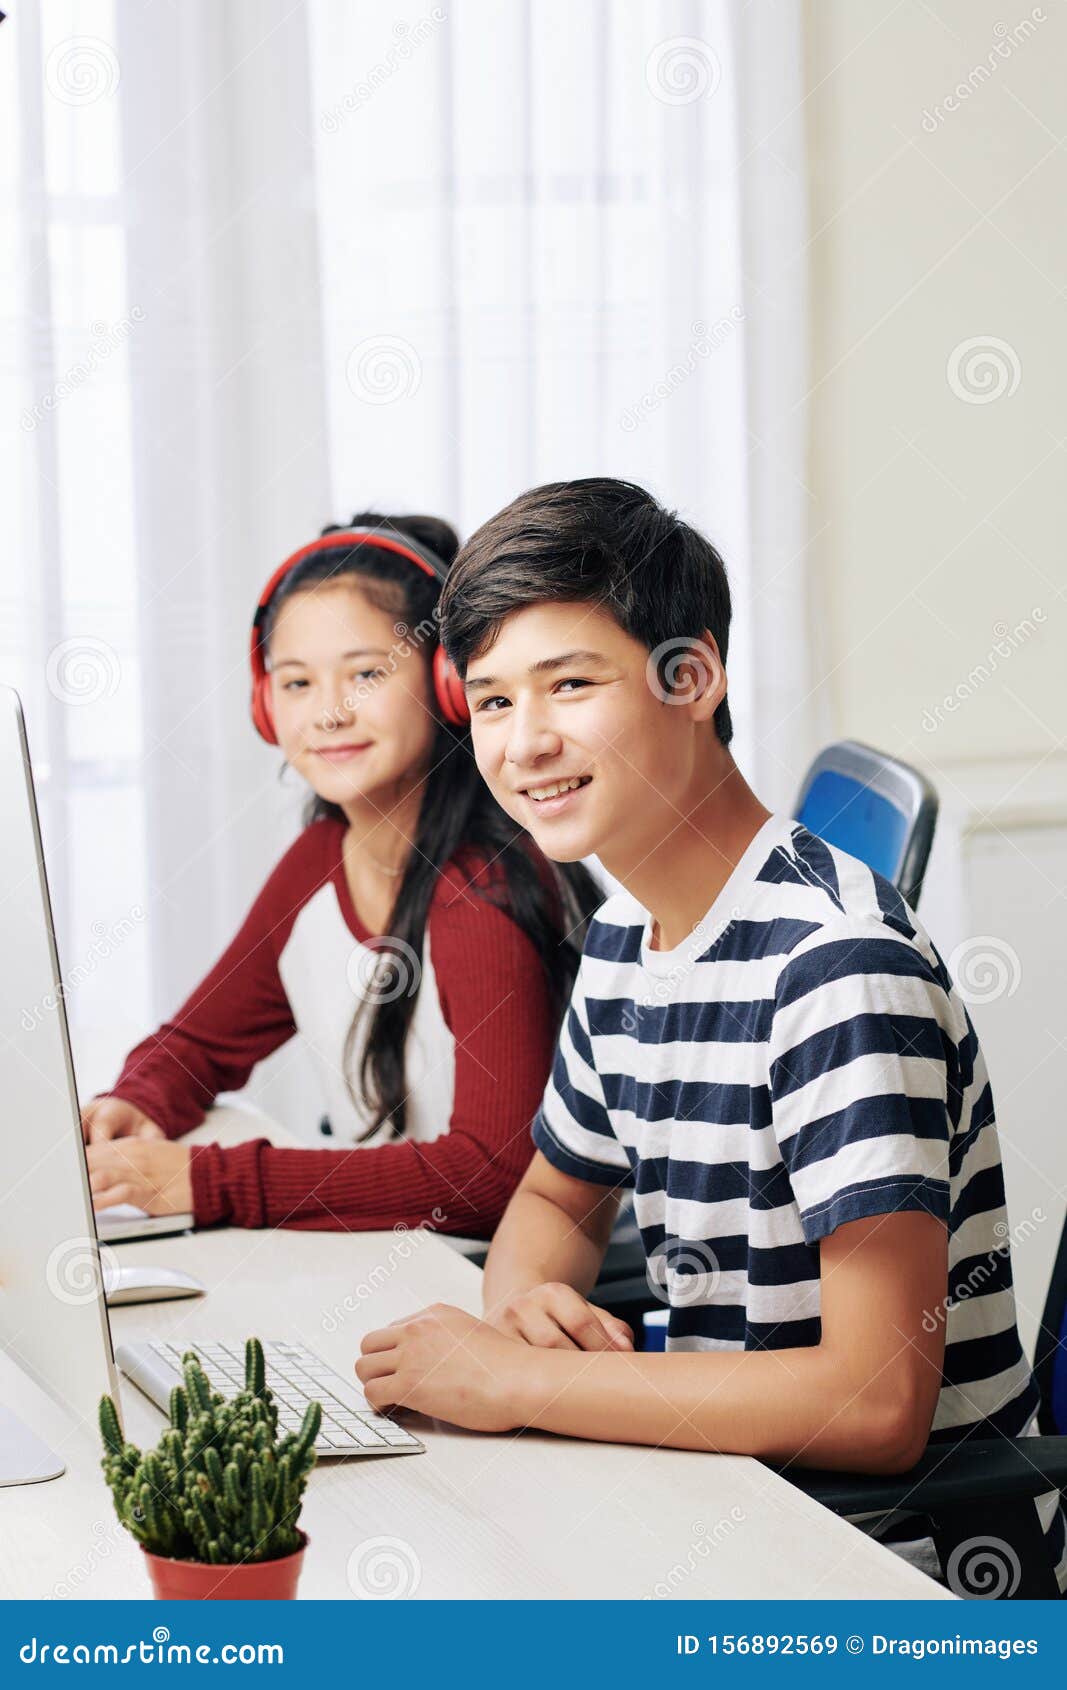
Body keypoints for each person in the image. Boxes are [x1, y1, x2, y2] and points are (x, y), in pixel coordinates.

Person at [355, 477, 1065, 1593]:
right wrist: (522, 1304)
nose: (524, 740)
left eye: (569, 684)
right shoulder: (631, 930)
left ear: (692, 676)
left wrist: (515, 1385)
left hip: (885, 1560)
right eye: (491, 702)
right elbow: (553, 1198)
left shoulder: (834, 969)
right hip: (716, 1503)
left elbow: (877, 1403)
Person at [82, 513, 601, 1234]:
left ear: (449, 680)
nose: (329, 713)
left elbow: (489, 1177)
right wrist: (140, 1099)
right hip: (408, 1262)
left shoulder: (482, 886)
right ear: (266, 706)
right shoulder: (321, 859)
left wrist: (208, 1181)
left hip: (513, 1288)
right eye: (295, 683)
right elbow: (203, 1043)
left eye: (365, 673)